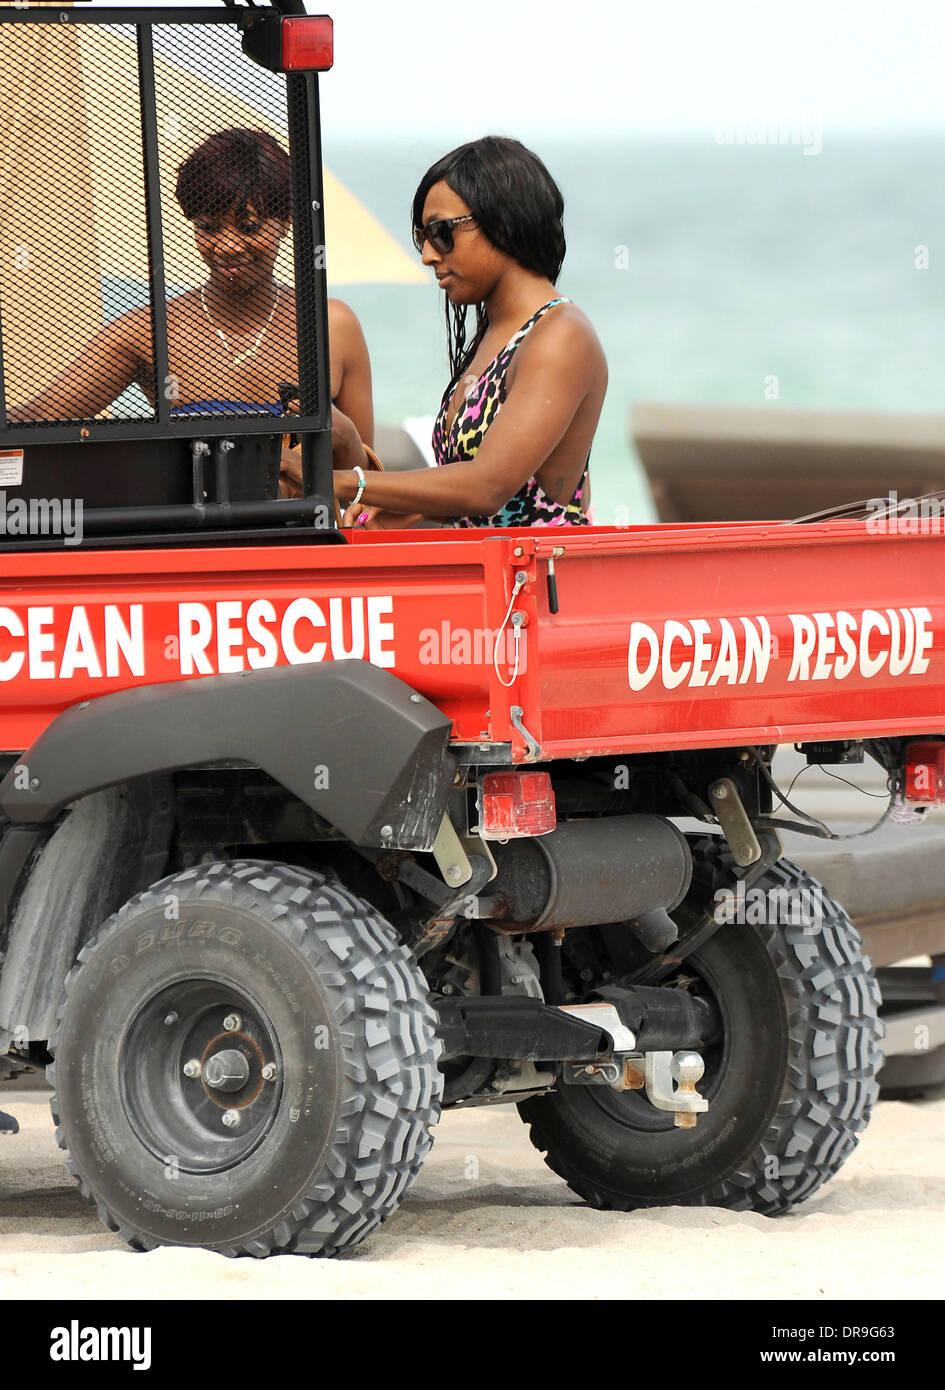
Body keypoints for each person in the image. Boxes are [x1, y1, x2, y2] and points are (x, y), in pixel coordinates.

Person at [8, 128, 373, 447]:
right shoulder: (150, 331)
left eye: (248, 227)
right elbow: (36, 419)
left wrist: (347, 437)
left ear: (286, 223)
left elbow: (369, 487)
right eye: (209, 227)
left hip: (305, 527)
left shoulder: (330, 326)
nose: (228, 246)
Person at [331, 135, 606, 529]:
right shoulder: (498, 334)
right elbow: (489, 501)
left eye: (441, 232)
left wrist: (349, 483)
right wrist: (397, 512)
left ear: (503, 222)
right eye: (422, 237)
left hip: (541, 584)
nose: (428, 254)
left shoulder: (562, 336)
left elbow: (487, 486)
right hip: (491, 581)